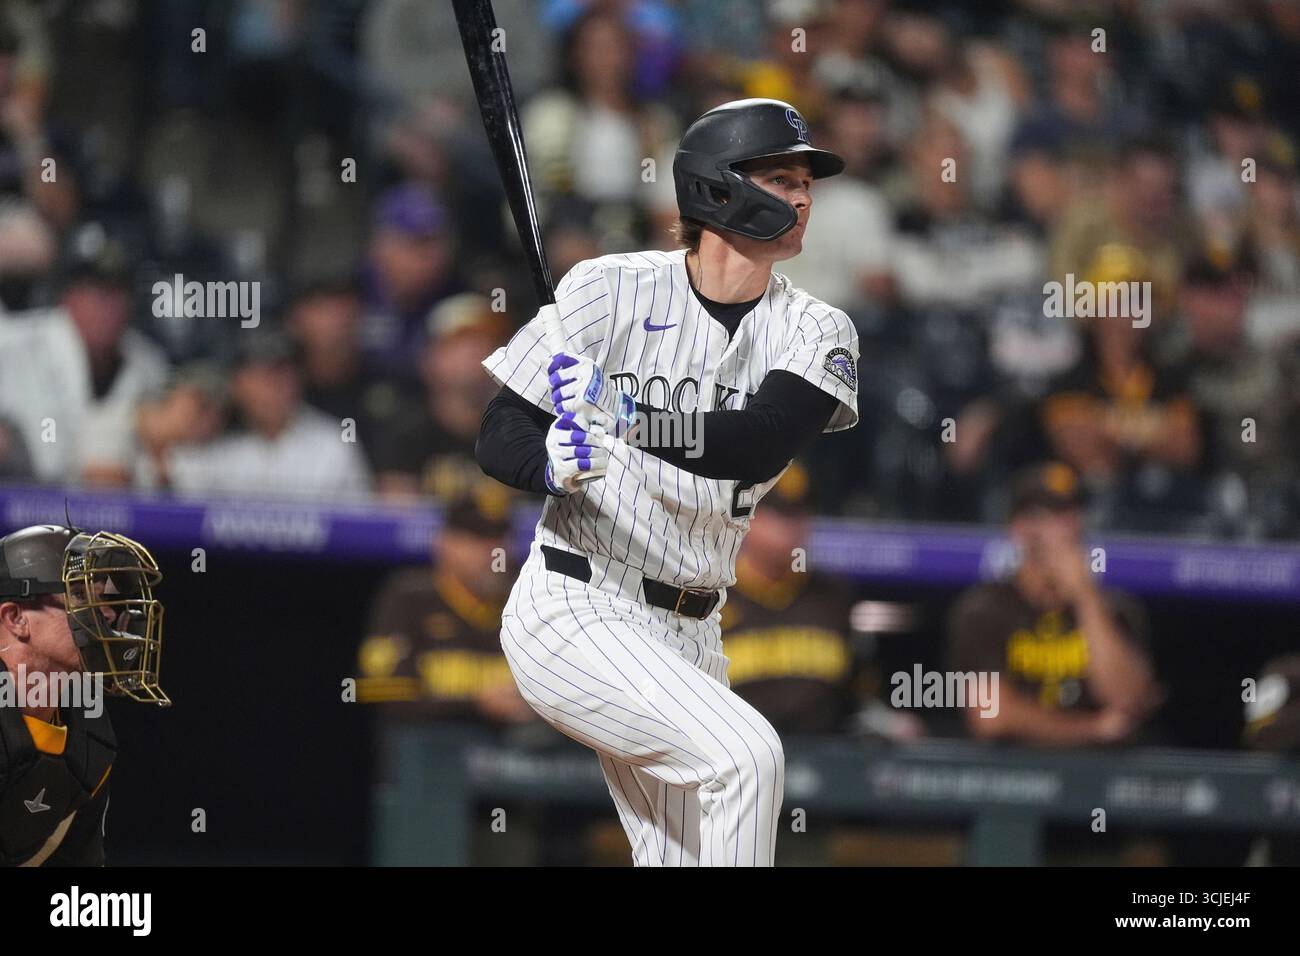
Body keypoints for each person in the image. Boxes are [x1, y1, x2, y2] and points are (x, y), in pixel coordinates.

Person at [476, 98, 859, 866]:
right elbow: (499, 432)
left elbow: (756, 441)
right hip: (577, 602)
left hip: (694, 631)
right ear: (717, 190)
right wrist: (550, 460)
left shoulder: (818, 328)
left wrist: (619, 415)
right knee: (748, 757)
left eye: (806, 182)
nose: (803, 196)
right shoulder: (606, 289)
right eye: (782, 178)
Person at [946, 463, 1159, 746]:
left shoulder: (1115, 608)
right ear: (1020, 528)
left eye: (1072, 514)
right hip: (1010, 777)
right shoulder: (984, 610)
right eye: (1051, 516)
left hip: (1100, 776)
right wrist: (1092, 728)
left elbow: (1128, 700)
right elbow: (990, 716)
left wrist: (1086, 597)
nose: (1066, 527)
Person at [0, 524, 169, 866]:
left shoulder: (88, 732)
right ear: (17, 618)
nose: (106, 613)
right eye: (78, 594)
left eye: (101, 597)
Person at [356, 481, 533, 726]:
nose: (492, 551)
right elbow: (378, 690)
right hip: (431, 756)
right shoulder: (410, 598)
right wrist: (475, 704)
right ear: (444, 543)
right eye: (477, 538)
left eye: (499, 537)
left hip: (518, 760)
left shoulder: (527, 601)